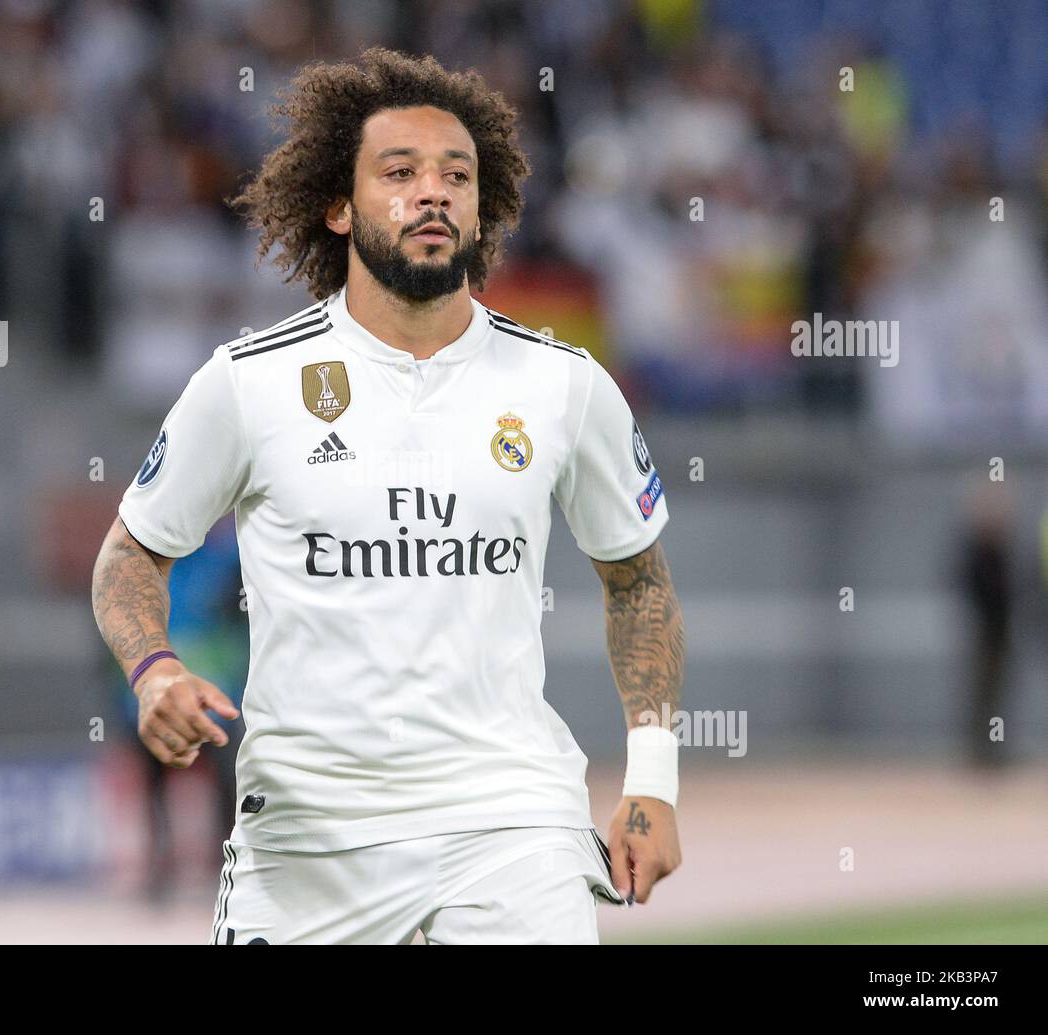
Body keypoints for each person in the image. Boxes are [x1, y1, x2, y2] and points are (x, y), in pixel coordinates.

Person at [91, 47, 685, 944]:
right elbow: (131, 552)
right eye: (398, 172)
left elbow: (639, 582)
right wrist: (154, 668)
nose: (433, 192)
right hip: (309, 834)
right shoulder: (248, 384)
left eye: (456, 175)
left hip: (511, 817)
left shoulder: (565, 385)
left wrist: (653, 778)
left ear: (483, 208)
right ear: (339, 205)